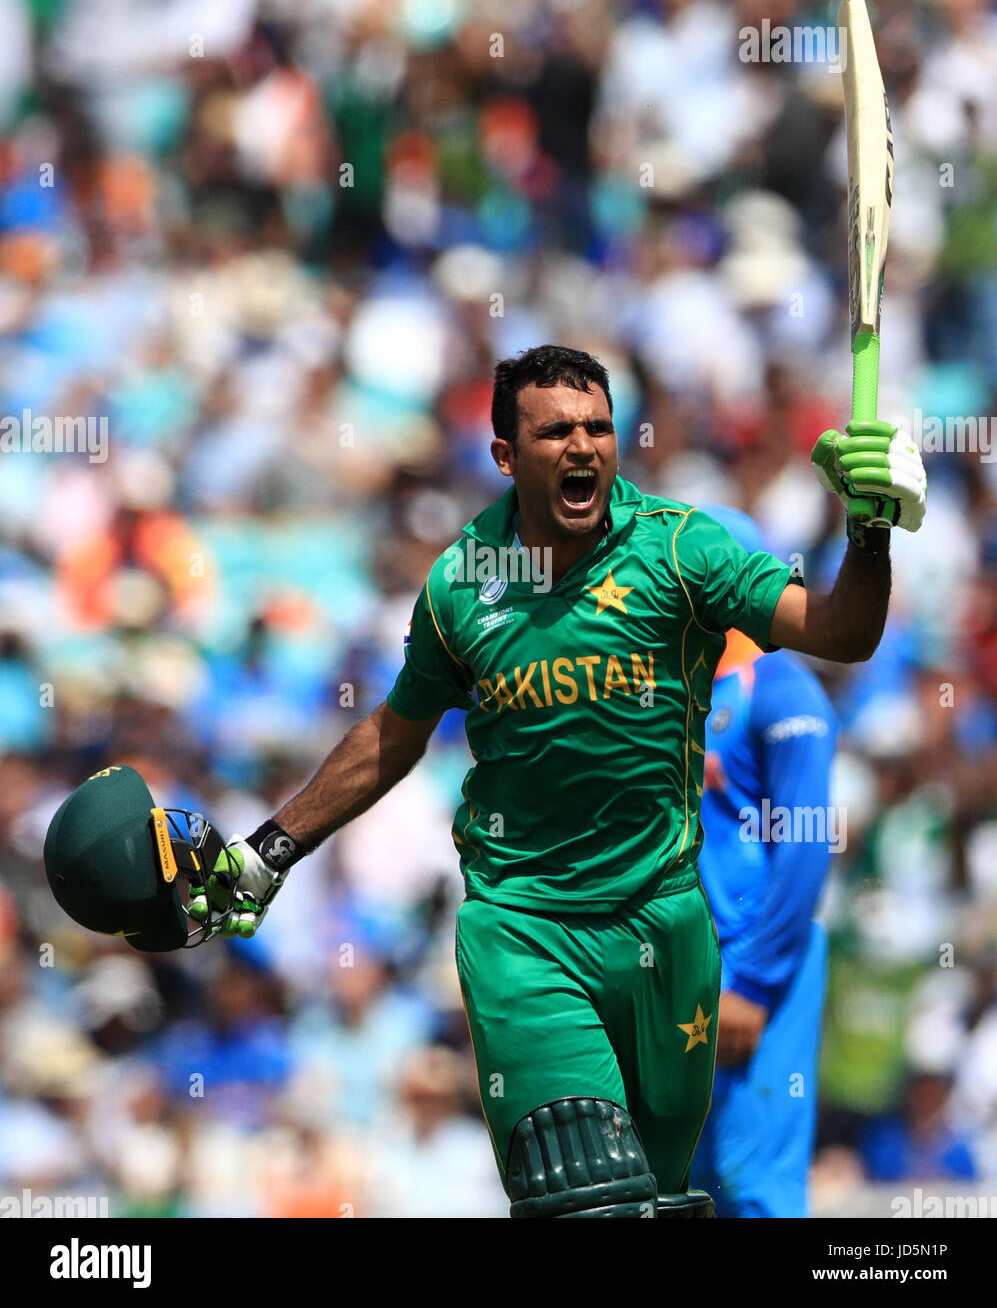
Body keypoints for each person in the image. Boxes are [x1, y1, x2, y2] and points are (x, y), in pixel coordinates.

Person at [191, 344, 926, 1218]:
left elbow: (842, 631)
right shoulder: (464, 581)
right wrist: (271, 851)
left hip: (664, 931)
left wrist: (870, 526)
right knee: (588, 1199)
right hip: (524, 926)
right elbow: (395, 731)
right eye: (555, 432)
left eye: (598, 428)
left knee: (660, 1202)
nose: (583, 448)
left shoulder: (682, 550)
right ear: (505, 455)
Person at [690, 506, 837, 1218]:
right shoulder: (666, 694)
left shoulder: (781, 693)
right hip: (677, 971)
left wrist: (751, 983)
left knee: (754, 1186)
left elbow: (805, 848)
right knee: (685, 1188)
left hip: (756, 966)